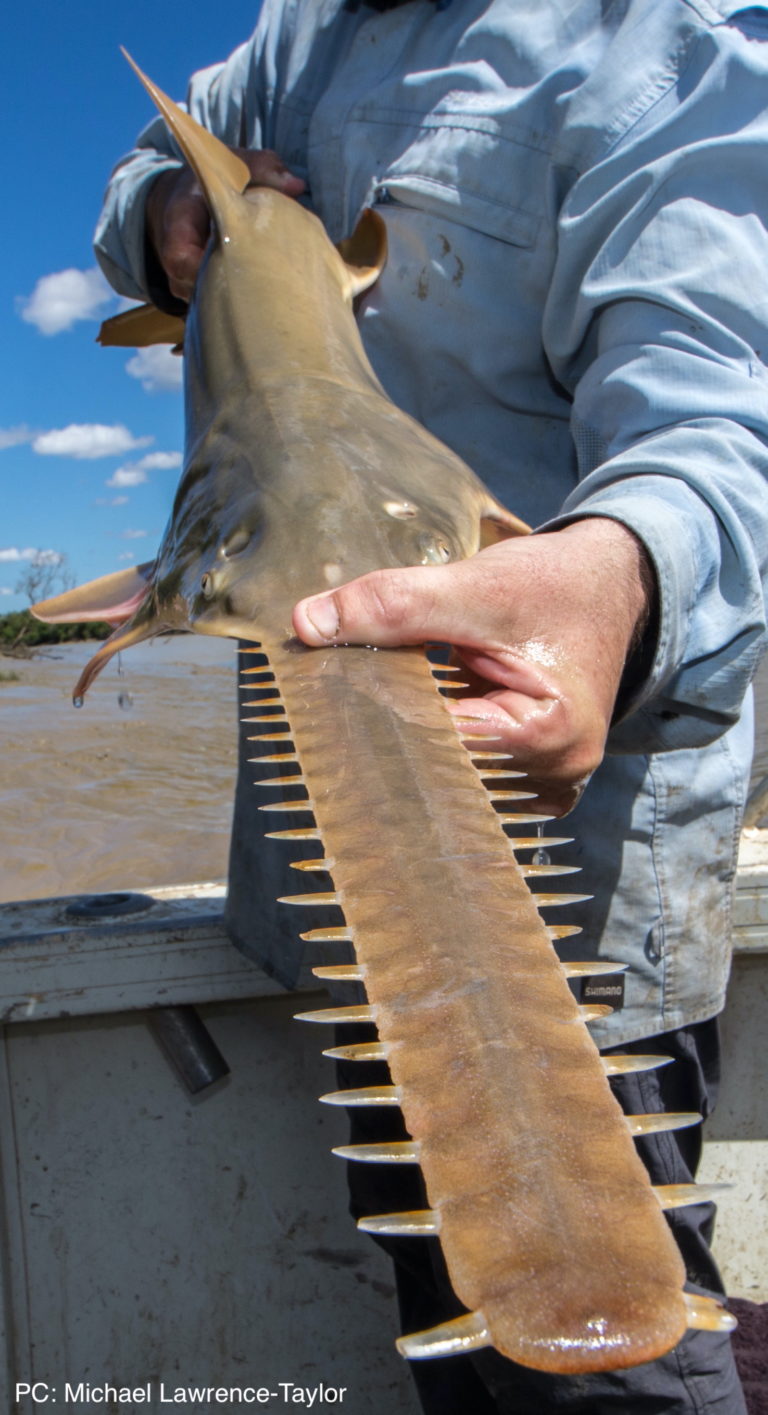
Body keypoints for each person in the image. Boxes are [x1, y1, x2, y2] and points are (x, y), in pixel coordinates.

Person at [94, 1, 768, 1409]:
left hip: (582, 845)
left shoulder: (665, 53)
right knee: (440, 1298)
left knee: (598, 1341)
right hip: (337, 861)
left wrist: (618, 582)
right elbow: (154, 163)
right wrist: (171, 205)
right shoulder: (296, 38)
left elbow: (723, 426)